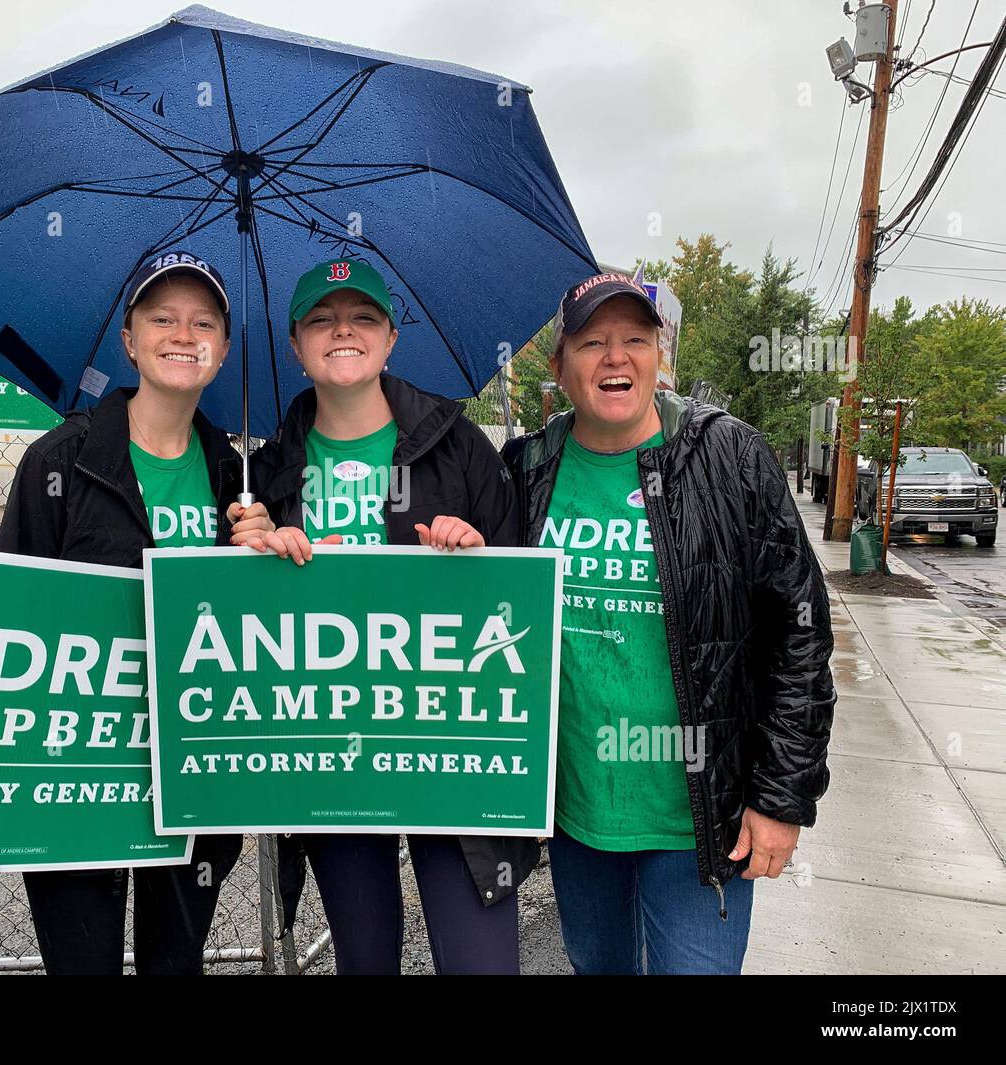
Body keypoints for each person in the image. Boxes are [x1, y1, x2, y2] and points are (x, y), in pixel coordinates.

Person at [0, 251, 268, 974]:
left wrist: (257, 564)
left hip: (192, 788)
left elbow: (262, 652)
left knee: (177, 967)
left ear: (224, 349)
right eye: (162, 317)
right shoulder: (58, 464)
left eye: (203, 322)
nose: (183, 333)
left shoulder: (241, 484)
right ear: (129, 340)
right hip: (74, 779)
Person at [499, 273, 836, 974]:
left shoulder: (731, 459)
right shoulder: (525, 470)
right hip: (576, 816)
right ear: (559, 368)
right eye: (591, 342)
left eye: (635, 340)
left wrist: (780, 798)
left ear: (662, 357)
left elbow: (799, 635)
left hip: (697, 819)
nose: (615, 358)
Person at [230, 258, 538, 975]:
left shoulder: (458, 445)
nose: (344, 330)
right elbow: (247, 633)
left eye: (364, 316)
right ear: (296, 345)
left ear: (391, 339)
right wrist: (251, 556)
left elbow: (522, 589)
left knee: (480, 964)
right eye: (322, 319)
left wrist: (477, 554)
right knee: (364, 960)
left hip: (450, 748)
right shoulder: (269, 471)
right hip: (334, 752)